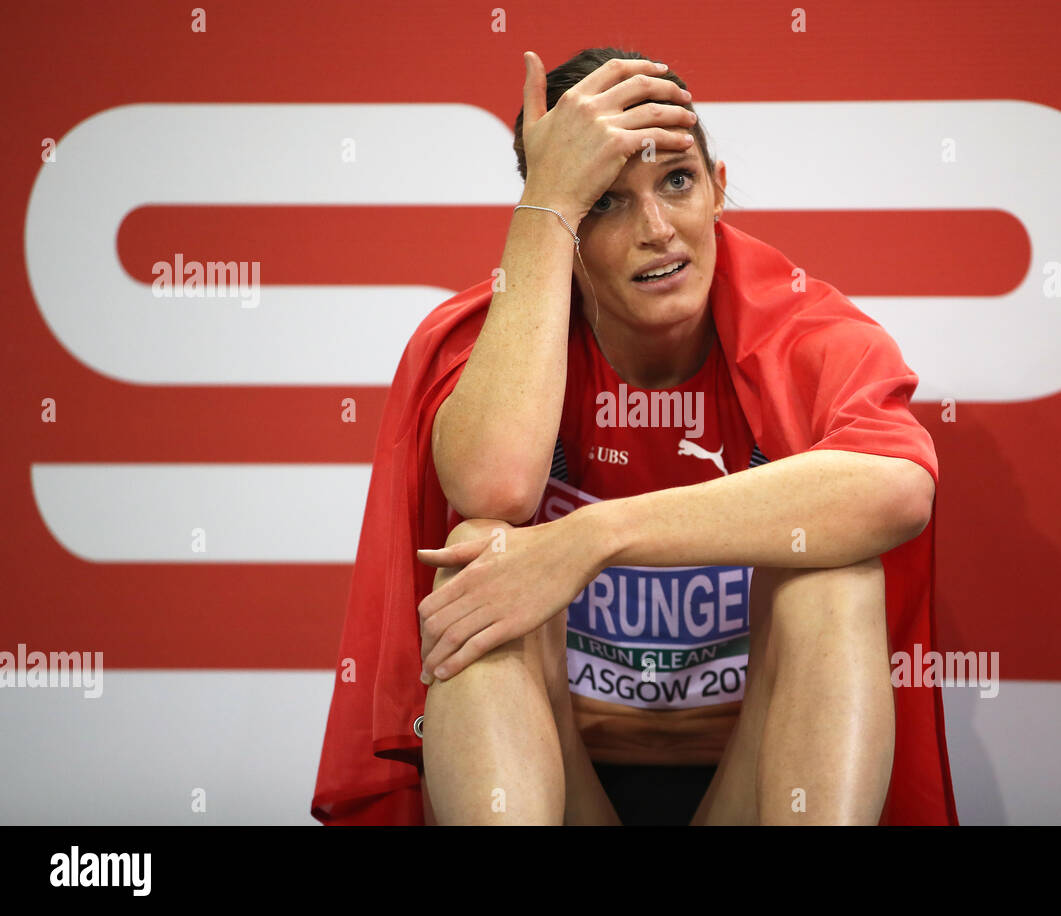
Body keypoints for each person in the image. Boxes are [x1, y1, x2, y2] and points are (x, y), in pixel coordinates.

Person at [310, 47, 958, 827]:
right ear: (563, 229)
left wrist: (593, 537)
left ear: (719, 190)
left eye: (677, 181)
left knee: (833, 575)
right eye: (607, 203)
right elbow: (495, 487)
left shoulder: (802, 329)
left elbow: (897, 487)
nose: (658, 230)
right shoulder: (488, 341)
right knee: (481, 561)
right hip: (563, 787)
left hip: (751, 790)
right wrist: (548, 202)